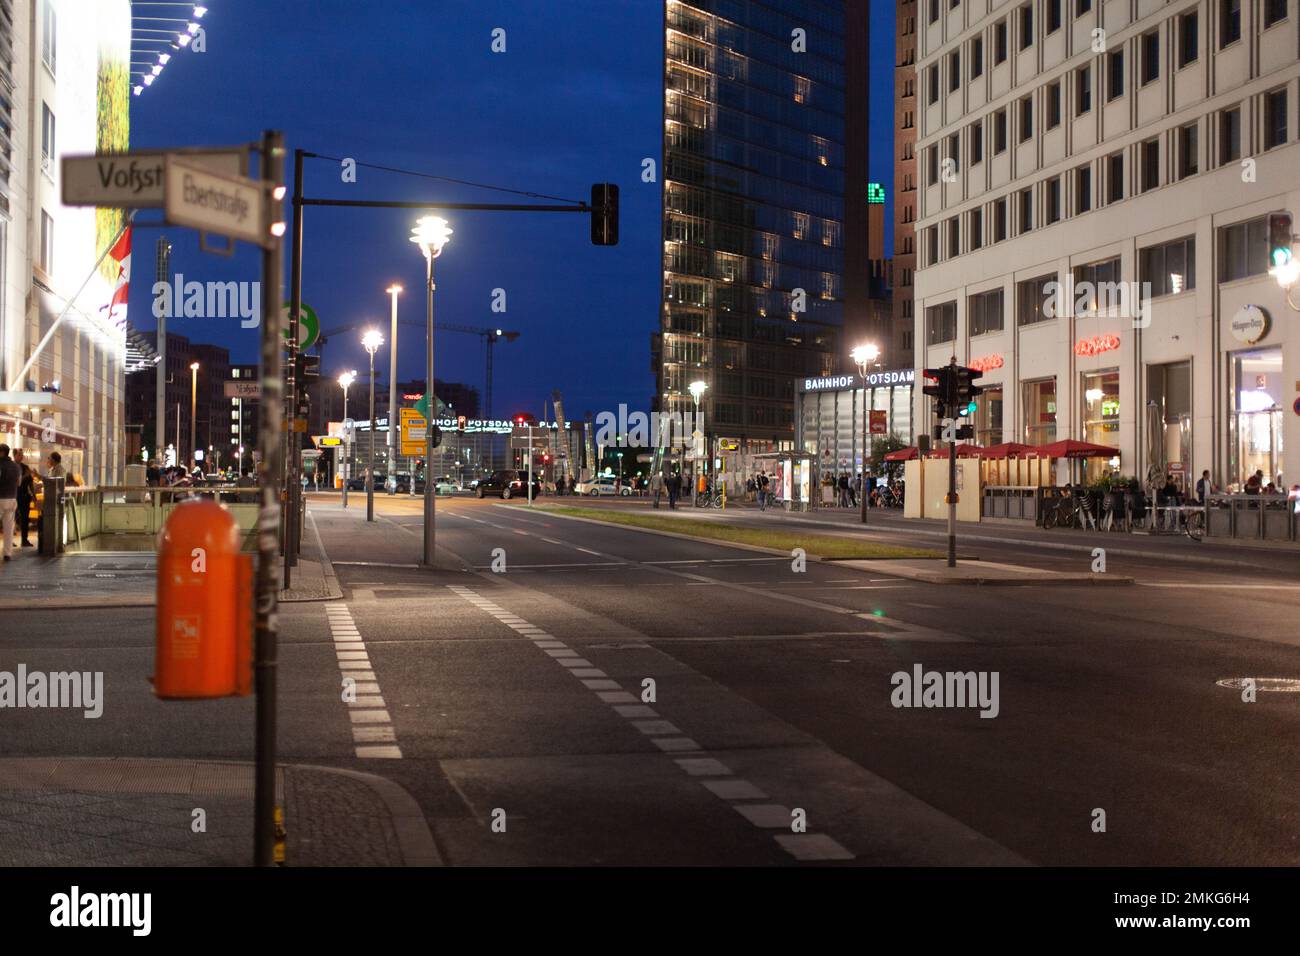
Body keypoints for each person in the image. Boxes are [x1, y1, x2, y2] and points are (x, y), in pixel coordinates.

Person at [0, 444, 19, 561]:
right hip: (11, 498)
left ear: (2, 452)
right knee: (8, 528)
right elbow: (18, 482)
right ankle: (7, 553)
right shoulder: (16, 466)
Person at [13, 450, 35, 549]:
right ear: (14, 456)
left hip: (25, 497)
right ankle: (11, 540)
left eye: (22, 455)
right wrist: (25, 476)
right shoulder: (11, 467)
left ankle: (24, 540)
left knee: (25, 519)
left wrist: (33, 495)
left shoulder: (25, 467)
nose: (21, 457)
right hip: (13, 496)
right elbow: (15, 482)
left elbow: (30, 483)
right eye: (19, 455)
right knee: (13, 519)